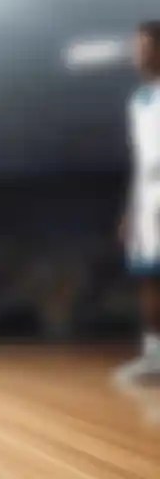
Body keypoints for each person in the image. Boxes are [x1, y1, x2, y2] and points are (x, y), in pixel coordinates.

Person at [117, 21, 160, 384]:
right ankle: (154, 357)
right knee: (148, 276)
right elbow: (141, 162)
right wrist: (132, 210)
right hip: (148, 198)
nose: (137, 53)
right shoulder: (138, 101)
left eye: (143, 45)